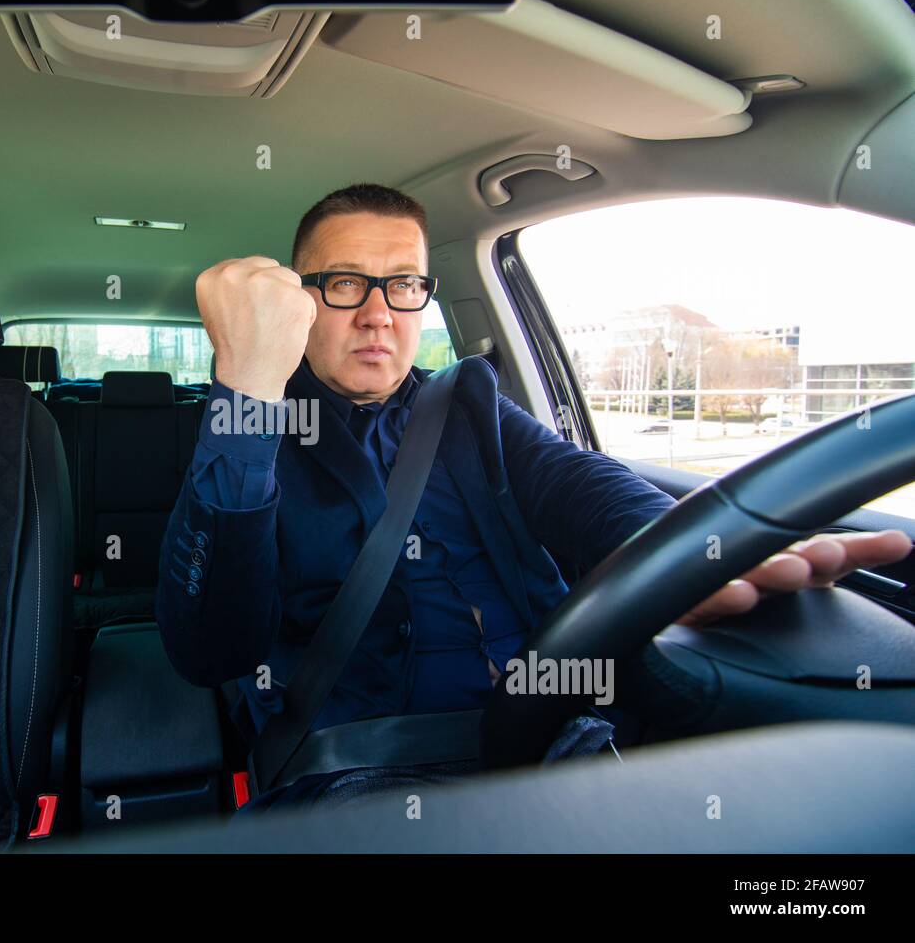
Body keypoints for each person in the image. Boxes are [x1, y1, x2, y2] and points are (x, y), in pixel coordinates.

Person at [155, 183, 913, 811]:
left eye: (405, 284)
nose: (379, 312)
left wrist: (691, 552)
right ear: (302, 299)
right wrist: (248, 386)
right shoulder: (248, 429)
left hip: (562, 735)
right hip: (355, 770)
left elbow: (579, 485)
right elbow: (209, 649)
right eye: (346, 283)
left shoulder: (467, 403)